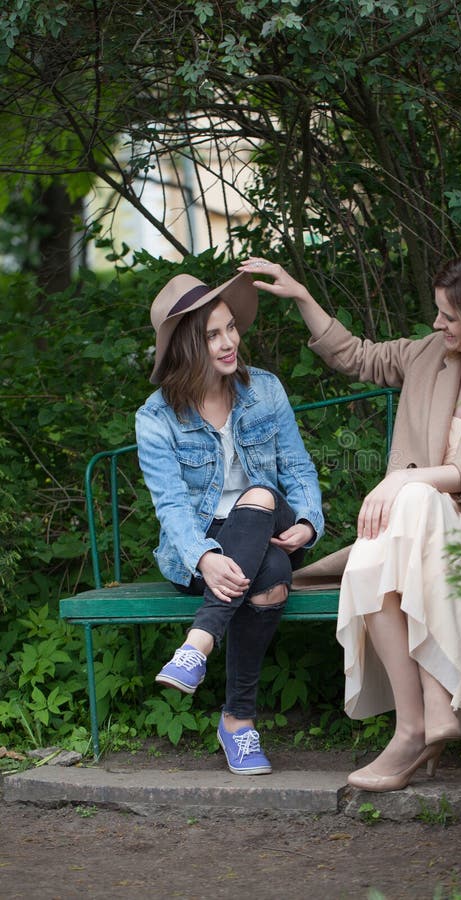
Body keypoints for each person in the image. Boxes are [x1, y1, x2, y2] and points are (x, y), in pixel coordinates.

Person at [238, 250, 461, 791]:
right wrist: (300, 295)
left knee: (403, 509)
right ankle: (425, 718)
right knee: (380, 544)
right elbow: (356, 356)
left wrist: (407, 480)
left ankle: (415, 725)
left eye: (450, 316)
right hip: (412, 534)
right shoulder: (430, 354)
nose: (438, 325)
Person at [135, 270, 323, 776]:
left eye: (231, 328)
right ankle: (238, 722)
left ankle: (197, 645)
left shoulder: (264, 389)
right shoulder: (156, 418)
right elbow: (171, 506)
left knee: (260, 493)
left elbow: (299, 467)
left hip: (276, 524)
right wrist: (204, 556)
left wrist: (308, 523)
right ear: (187, 347)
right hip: (202, 546)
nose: (228, 342)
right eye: (213, 335)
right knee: (269, 584)